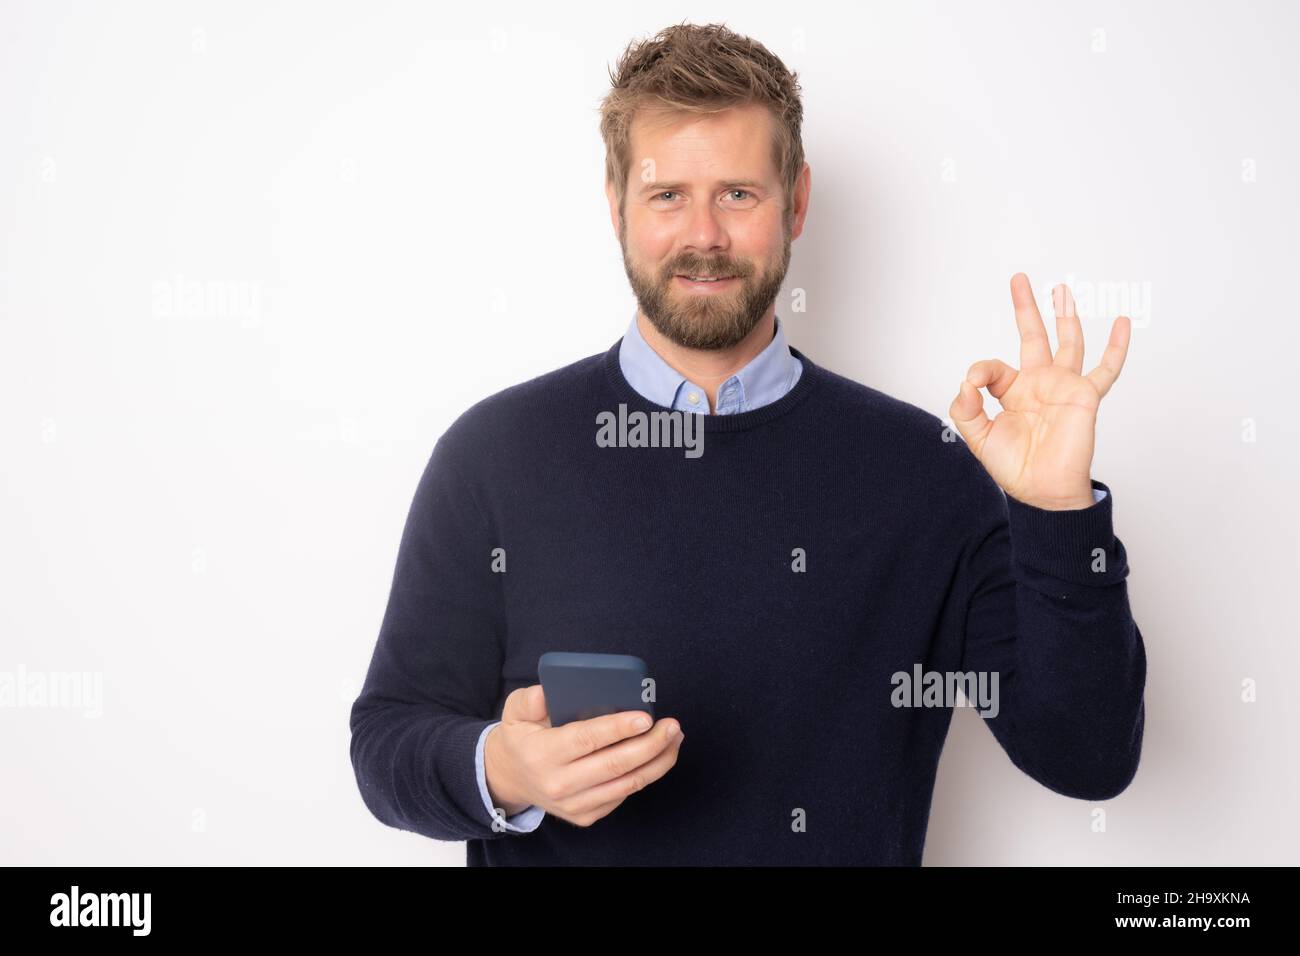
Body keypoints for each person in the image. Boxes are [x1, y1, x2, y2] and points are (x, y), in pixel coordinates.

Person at [349, 22, 1145, 866]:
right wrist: (501, 771)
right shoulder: (492, 456)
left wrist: (1058, 514)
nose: (704, 237)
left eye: (738, 194)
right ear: (615, 202)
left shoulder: (931, 471)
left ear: (796, 201)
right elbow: (386, 742)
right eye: (667, 196)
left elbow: (1088, 759)